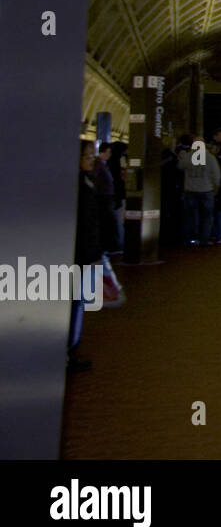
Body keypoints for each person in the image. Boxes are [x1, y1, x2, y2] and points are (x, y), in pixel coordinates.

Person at [70, 140, 103, 372]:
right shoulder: (80, 186)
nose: (92, 159)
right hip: (79, 254)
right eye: (88, 155)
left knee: (77, 301)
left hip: (80, 252)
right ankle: (70, 350)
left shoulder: (84, 182)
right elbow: (86, 224)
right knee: (77, 302)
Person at [178, 133, 221, 245]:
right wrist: (215, 189)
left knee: (190, 217)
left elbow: (180, 167)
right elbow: (217, 176)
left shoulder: (188, 156)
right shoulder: (210, 158)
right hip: (206, 191)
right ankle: (204, 239)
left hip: (190, 190)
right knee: (206, 218)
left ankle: (190, 238)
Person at [106, 141, 128, 255]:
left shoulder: (109, 163)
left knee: (115, 221)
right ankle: (119, 244)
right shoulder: (120, 161)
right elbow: (121, 180)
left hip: (113, 195)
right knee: (119, 221)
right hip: (119, 195)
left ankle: (116, 244)